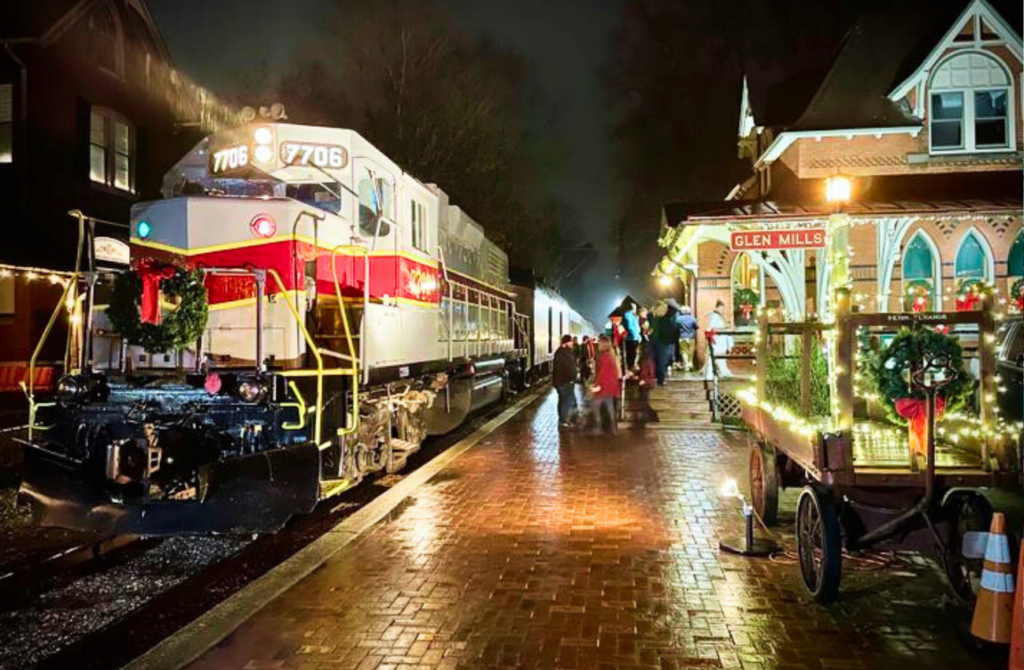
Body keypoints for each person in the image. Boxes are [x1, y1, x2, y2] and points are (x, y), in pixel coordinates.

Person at [590, 334, 620, 435]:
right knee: (610, 407)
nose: (598, 344)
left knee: (595, 405)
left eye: (599, 342)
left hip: (604, 386)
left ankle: (598, 428)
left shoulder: (604, 357)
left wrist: (597, 386)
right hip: (611, 386)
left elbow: (602, 373)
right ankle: (613, 429)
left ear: (603, 344)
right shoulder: (611, 355)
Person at [553, 334, 578, 427]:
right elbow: (567, 368)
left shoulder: (562, 352)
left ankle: (563, 420)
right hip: (565, 382)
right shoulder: (563, 353)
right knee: (567, 402)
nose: (572, 344)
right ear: (566, 342)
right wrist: (572, 378)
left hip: (563, 382)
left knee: (564, 401)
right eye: (570, 342)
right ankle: (565, 421)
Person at [704, 300, 733, 378]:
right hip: (717, 340)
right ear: (717, 308)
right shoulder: (714, 316)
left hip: (722, 340)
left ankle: (722, 371)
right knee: (716, 356)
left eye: (723, 309)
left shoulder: (720, 317)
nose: (722, 310)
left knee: (721, 357)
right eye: (721, 308)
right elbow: (712, 327)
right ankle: (711, 373)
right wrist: (724, 328)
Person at [649, 301, 675, 385]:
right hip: (661, 342)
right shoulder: (664, 319)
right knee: (661, 360)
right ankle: (660, 379)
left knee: (654, 359)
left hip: (653, 341)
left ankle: (656, 377)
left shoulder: (652, 317)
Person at [636, 341, 659, 426]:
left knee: (643, 401)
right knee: (643, 401)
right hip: (646, 382)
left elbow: (646, 372)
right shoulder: (647, 359)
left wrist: (643, 380)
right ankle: (648, 417)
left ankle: (650, 416)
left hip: (645, 383)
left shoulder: (645, 359)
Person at [676, 305, 699, 372]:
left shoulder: (678, 319)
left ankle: (686, 365)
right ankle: (690, 364)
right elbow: (697, 327)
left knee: (684, 351)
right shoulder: (693, 318)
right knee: (690, 352)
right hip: (691, 337)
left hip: (682, 337)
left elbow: (675, 327)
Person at [622, 302, 642, 371]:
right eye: (635, 308)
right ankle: (630, 368)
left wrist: (638, 335)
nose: (635, 309)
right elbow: (629, 326)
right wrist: (635, 334)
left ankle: (631, 367)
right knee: (631, 354)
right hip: (631, 338)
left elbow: (637, 327)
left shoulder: (634, 316)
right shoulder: (627, 315)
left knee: (634, 354)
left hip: (635, 338)